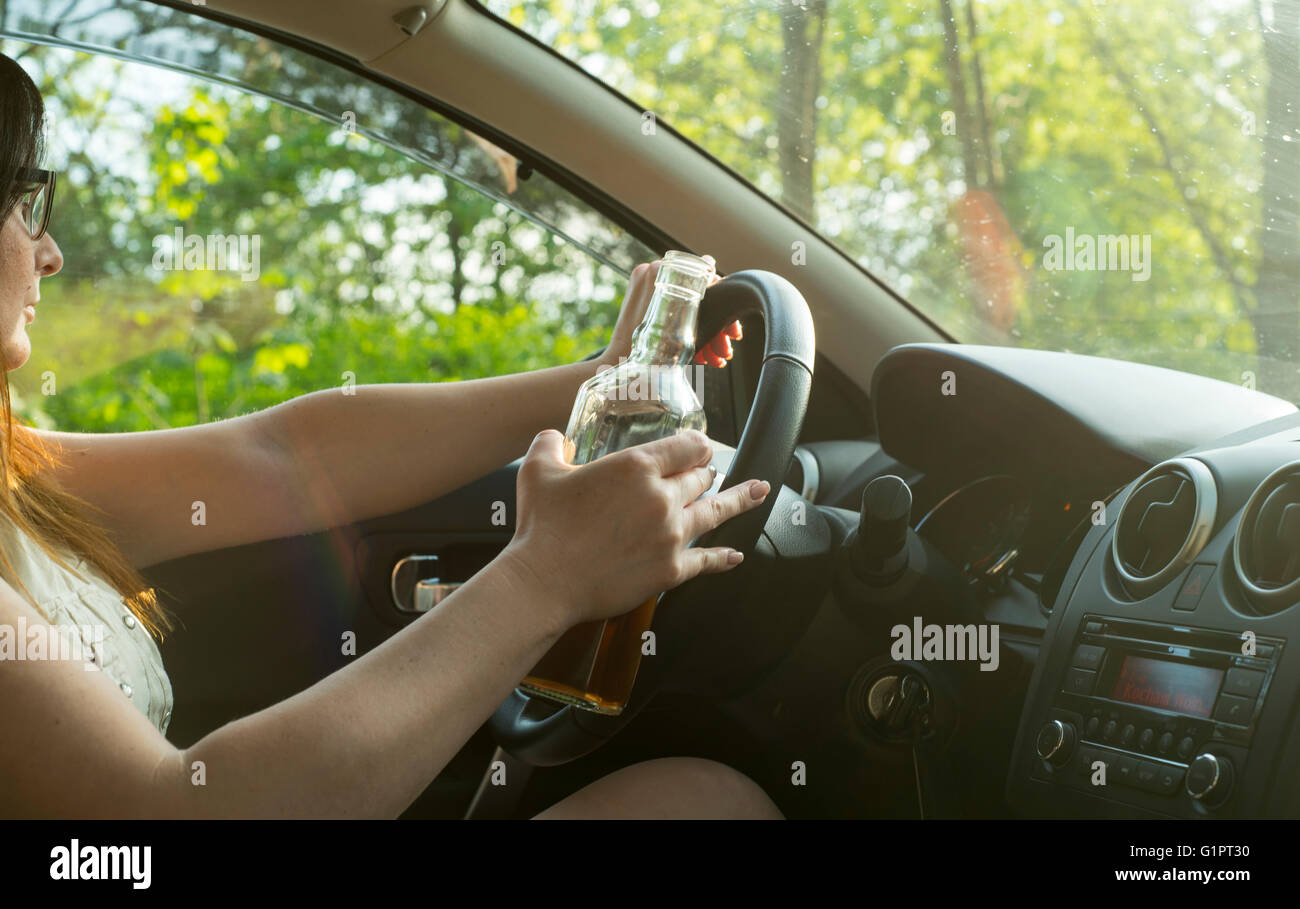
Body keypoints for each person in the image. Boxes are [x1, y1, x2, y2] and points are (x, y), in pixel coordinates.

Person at [0, 52, 782, 819]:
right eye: (26, 202)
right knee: (712, 802)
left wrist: (603, 377)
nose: (51, 253)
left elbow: (283, 456)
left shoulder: (15, 473)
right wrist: (547, 576)